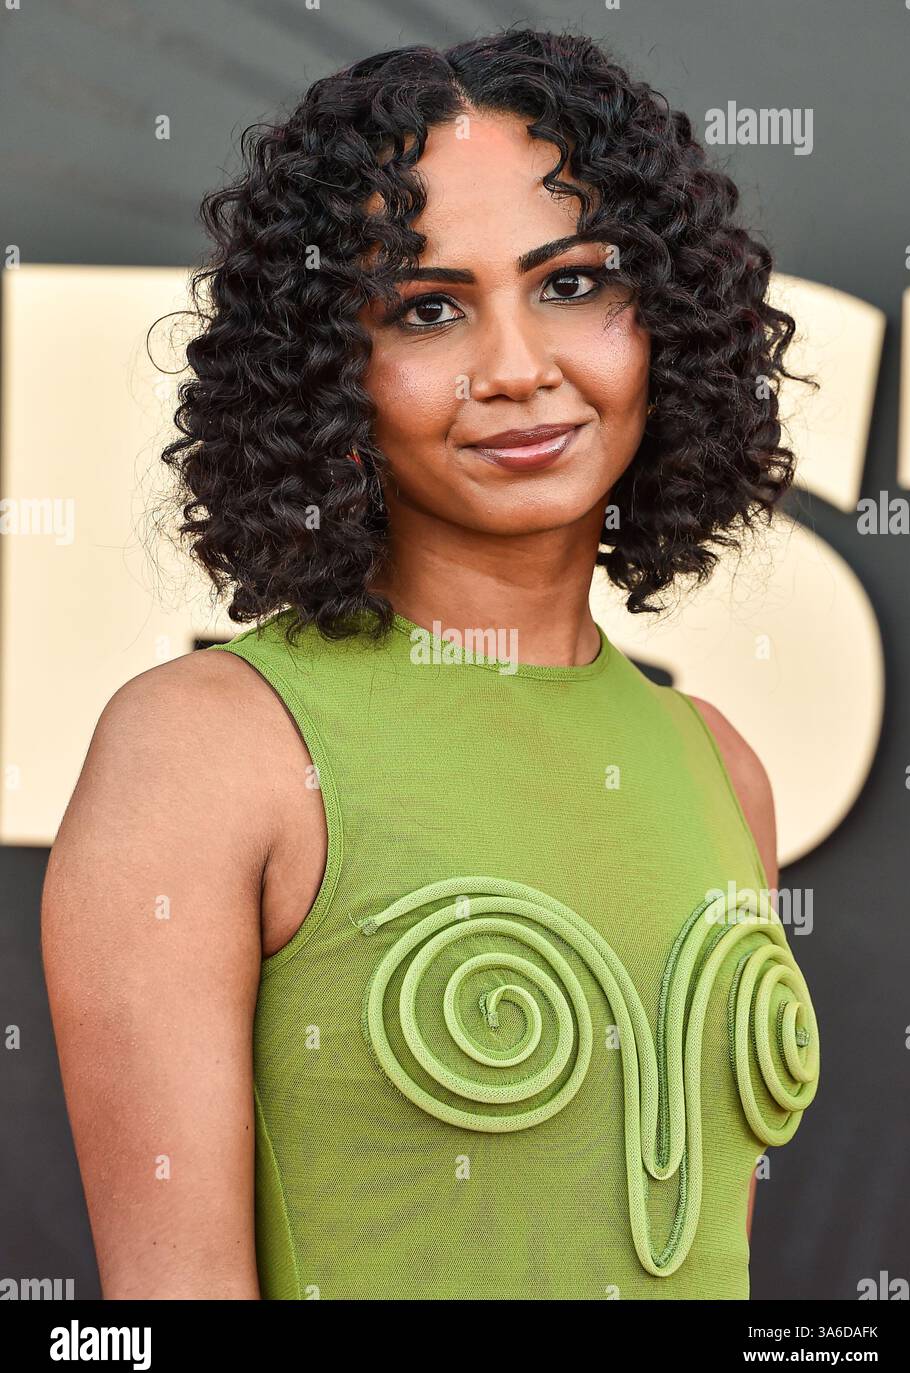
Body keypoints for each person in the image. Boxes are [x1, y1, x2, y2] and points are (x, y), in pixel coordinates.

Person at [41, 26, 820, 1300]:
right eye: (428, 308)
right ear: (328, 373)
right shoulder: (208, 747)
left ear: (667, 321)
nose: (518, 369)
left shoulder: (717, 767)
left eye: (572, 283)